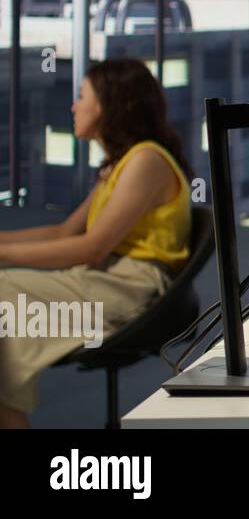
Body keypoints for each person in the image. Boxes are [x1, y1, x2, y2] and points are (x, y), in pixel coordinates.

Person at [0, 58, 193, 429]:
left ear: (109, 104)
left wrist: (4, 253)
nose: (73, 106)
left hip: (127, 289)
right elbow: (64, 233)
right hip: (102, 278)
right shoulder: (121, 164)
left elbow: (93, 247)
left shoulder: (146, 161)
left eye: (81, 96)